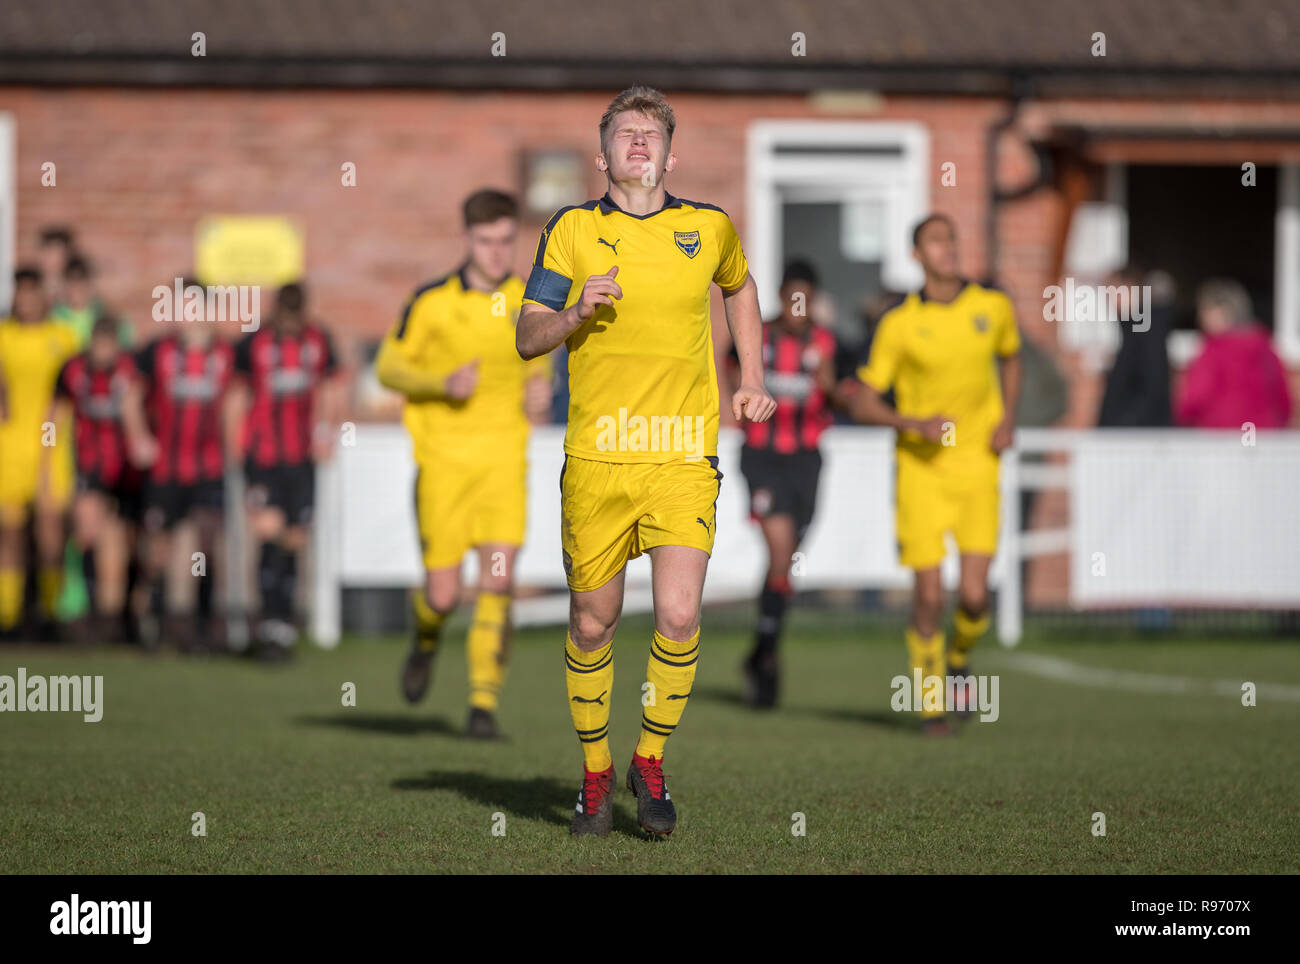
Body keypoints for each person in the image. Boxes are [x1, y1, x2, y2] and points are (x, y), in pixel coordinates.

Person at [516, 86, 775, 836]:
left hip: (681, 456)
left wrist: (751, 378)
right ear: (602, 156)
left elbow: (741, 287)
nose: (639, 144)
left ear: (671, 153)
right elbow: (528, 336)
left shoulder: (708, 226)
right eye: (625, 133)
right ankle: (596, 775)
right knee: (594, 626)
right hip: (597, 459)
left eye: (651, 134)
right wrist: (573, 313)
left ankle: (650, 760)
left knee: (680, 613)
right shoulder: (569, 231)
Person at [376, 190, 552, 737]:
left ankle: (481, 706)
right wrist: (440, 383)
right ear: (466, 239)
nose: (497, 253)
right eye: (485, 241)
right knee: (443, 594)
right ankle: (426, 637)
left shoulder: (529, 300)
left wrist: (541, 390)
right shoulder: (432, 301)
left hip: (503, 465)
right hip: (445, 466)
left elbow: (540, 363)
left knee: (498, 582)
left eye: (505, 241)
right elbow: (388, 366)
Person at [837, 214, 1021, 735]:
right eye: (936, 241)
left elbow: (1011, 358)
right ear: (917, 255)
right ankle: (932, 703)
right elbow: (863, 401)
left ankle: (959, 656)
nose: (948, 249)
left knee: (975, 596)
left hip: (978, 466)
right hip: (920, 471)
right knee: (928, 595)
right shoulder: (899, 324)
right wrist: (910, 422)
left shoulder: (992, 307)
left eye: (952, 238)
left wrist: (1007, 418)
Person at [725, 258, 838, 708]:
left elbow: (840, 396)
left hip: (806, 461)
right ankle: (769, 662)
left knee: (784, 563)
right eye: (792, 298)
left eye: (805, 299)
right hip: (763, 458)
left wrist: (828, 382)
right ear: (779, 299)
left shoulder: (825, 343)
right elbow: (730, 364)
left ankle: (761, 648)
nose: (798, 307)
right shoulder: (759, 338)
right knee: (778, 550)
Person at [230, 282, 339, 658]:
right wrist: (235, 444)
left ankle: (284, 625)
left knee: (295, 538)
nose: (290, 322)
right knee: (268, 530)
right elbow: (237, 395)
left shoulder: (319, 340)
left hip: (301, 459)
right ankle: (268, 622)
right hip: (262, 457)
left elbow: (330, 388)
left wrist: (327, 433)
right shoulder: (253, 344)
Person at [123, 301, 234, 651]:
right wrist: (139, 437)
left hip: (208, 468)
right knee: (158, 547)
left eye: (198, 310)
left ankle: (201, 624)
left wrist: (236, 450)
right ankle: (149, 620)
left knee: (204, 544)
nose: (191, 318)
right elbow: (130, 397)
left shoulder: (227, 353)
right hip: (165, 469)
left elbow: (238, 401)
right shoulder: (157, 351)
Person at [52, 316, 145, 642]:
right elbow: (54, 418)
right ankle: (93, 616)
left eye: (109, 345)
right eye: (98, 343)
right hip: (90, 470)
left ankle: (120, 618)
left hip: (126, 474)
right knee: (89, 534)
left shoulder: (131, 372)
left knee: (125, 545)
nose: (102, 351)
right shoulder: (73, 371)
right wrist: (47, 460)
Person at [0, 267, 80, 637]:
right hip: (9, 445)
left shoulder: (63, 338)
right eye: (21, 293)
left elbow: (69, 397)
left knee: (51, 531)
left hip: (50, 443)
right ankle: (9, 615)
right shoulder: (4, 336)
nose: (27, 301)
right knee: (10, 532)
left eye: (34, 293)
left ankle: (50, 615)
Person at [1175, 279, 1291, 430]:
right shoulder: (1264, 348)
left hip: (1222, 438)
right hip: (1262, 437)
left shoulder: (1213, 351)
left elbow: (1194, 400)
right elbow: (1283, 401)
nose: (1201, 318)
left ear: (1224, 313)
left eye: (1206, 312)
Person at [1097, 264, 1171, 427]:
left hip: (1139, 435)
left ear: (1129, 288)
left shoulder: (1147, 327)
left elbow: (1153, 385)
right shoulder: (1132, 327)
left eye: (1112, 291)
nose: (1108, 299)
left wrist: (1124, 424)